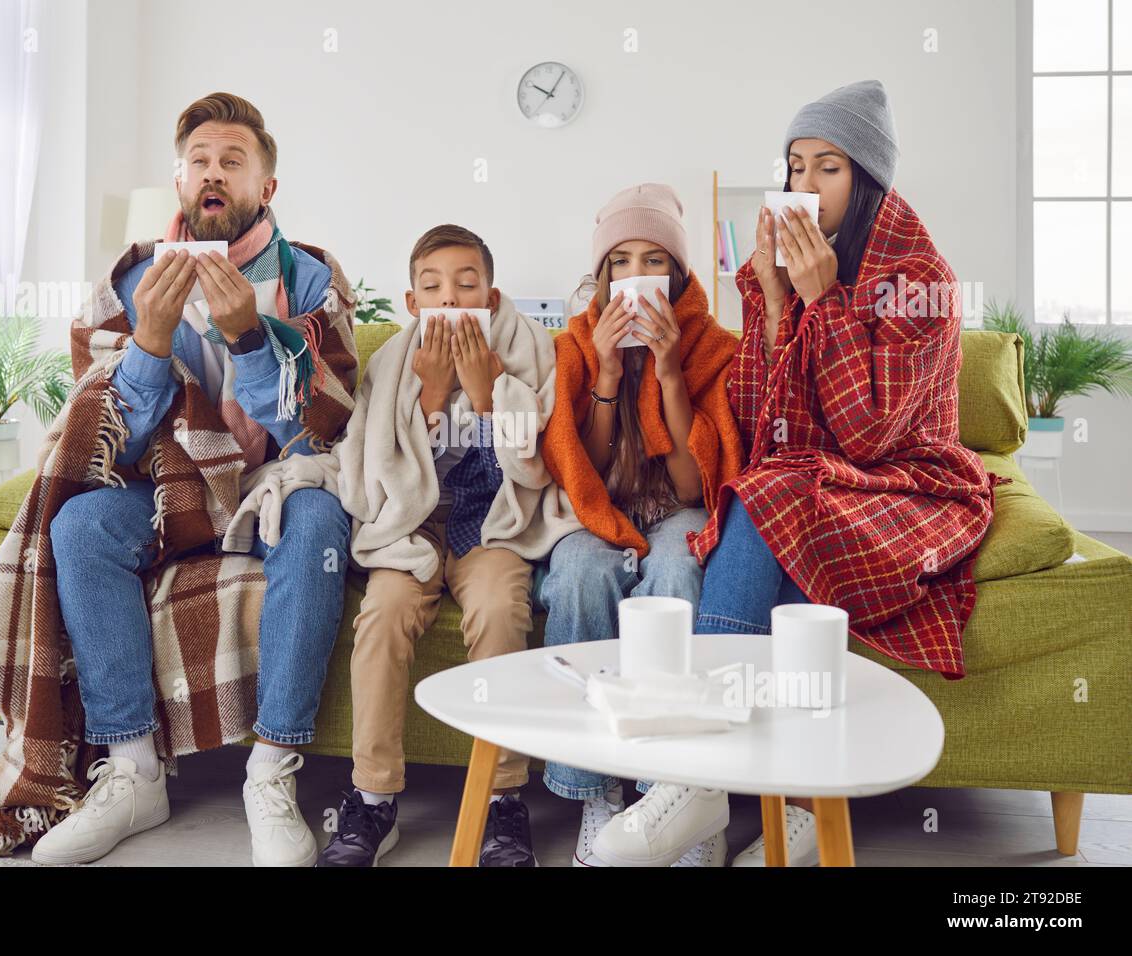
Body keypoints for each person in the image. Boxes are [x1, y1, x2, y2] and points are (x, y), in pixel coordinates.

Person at [33, 92, 357, 868]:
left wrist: (251, 339)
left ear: (264, 190)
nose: (215, 174)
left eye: (233, 163)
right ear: (181, 182)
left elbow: (326, 428)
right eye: (201, 162)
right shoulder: (130, 278)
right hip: (173, 488)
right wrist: (147, 340)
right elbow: (104, 446)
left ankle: (271, 773)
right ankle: (134, 769)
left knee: (318, 521)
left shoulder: (311, 279)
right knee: (80, 527)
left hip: (277, 482)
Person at [690, 79, 997, 866]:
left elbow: (867, 437)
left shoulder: (921, 279)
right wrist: (769, 300)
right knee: (786, 515)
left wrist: (823, 301)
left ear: (867, 180)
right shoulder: (790, 271)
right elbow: (760, 424)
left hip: (913, 484)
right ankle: (790, 802)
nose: (805, 187)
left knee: (774, 500)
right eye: (795, 168)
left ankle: (697, 777)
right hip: (818, 481)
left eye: (828, 168)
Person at [324, 224, 579, 866]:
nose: (451, 299)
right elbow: (376, 464)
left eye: (467, 285)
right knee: (381, 616)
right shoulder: (392, 361)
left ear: (490, 297)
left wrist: (491, 391)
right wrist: (433, 396)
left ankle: (503, 802)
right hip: (413, 526)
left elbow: (541, 462)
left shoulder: (529, 350)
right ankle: (373, 800)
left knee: (498, 610)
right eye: (433, 287)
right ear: (412, 304)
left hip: (492, 523)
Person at [536, 184, 744, 866]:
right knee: (578, 572)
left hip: (673, 508)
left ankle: (675, 794)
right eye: (619, 261)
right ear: (602, 275)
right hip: (599, 511)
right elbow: (583, 476)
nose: (634, 277)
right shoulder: (571, 345)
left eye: (652, 260)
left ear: (678, 275)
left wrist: (669, 373)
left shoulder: (713, 346)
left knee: (681, 567)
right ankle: (597, 790)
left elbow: (695, 486)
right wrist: (603, 371)